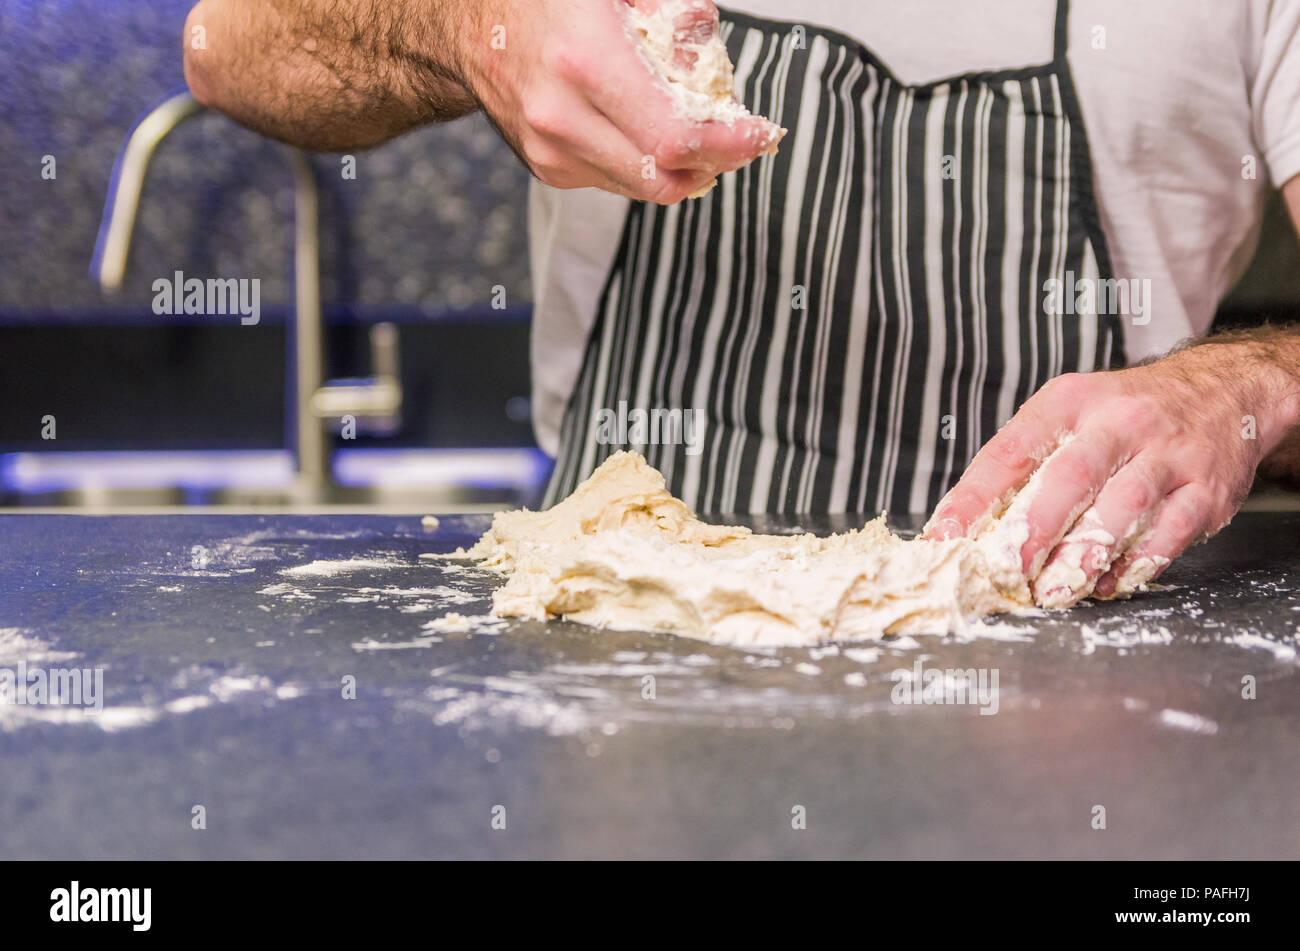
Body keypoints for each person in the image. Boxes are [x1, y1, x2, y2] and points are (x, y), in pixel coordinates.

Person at [182, 0, 1300, 606]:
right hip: (618, 628)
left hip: (1059, 679)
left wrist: (1245, 386)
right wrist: (469, 26)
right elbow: (229, 45)